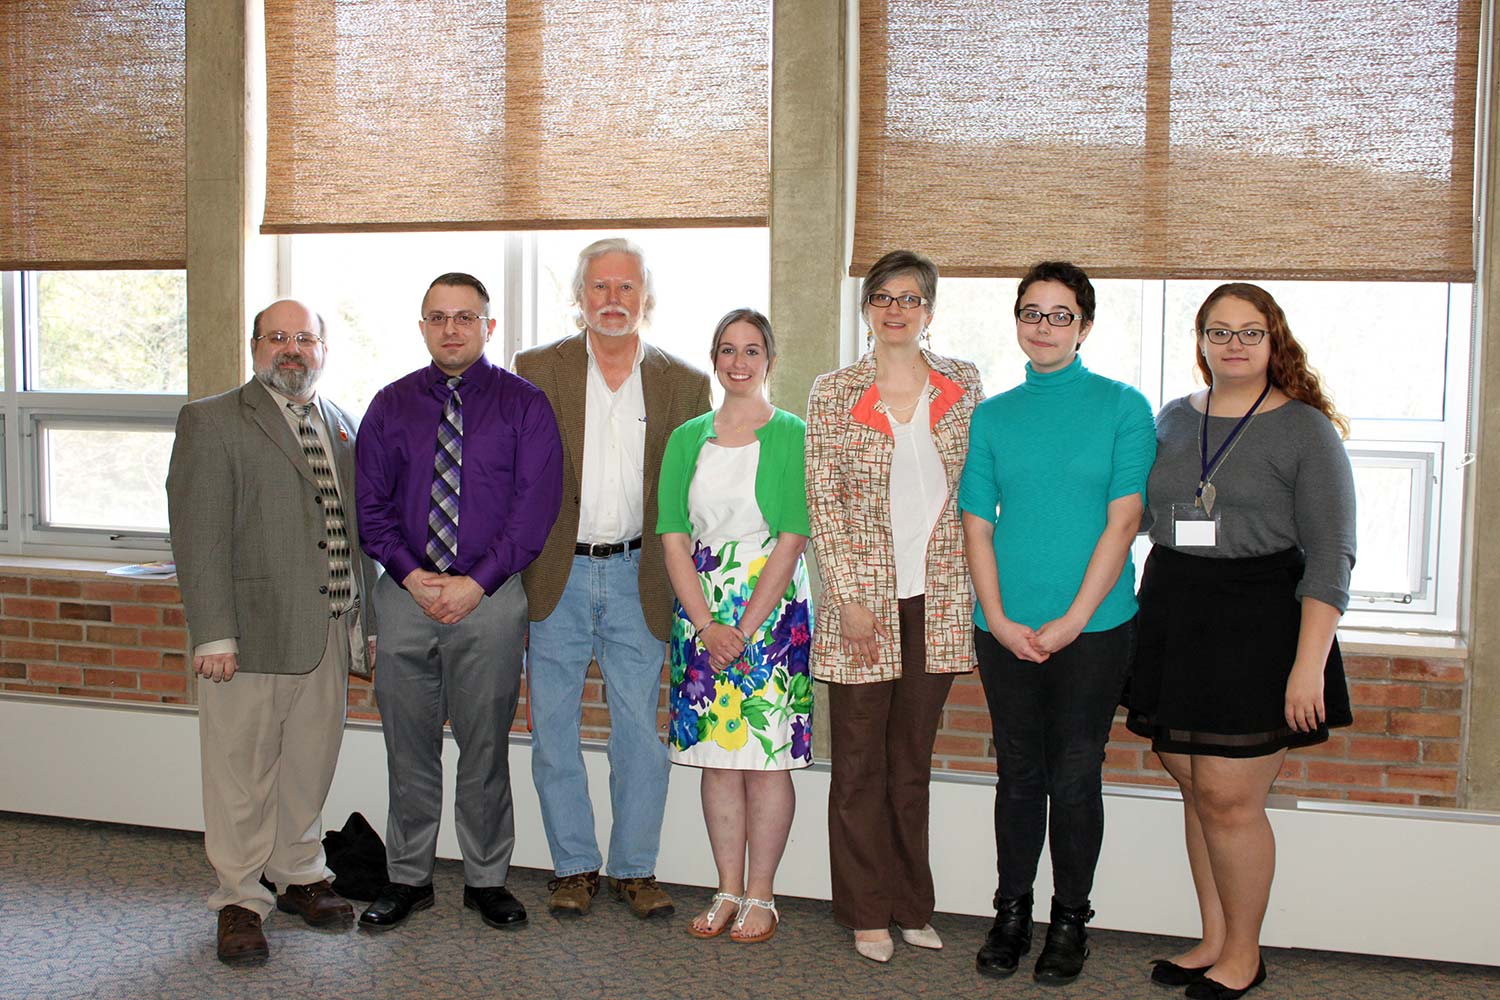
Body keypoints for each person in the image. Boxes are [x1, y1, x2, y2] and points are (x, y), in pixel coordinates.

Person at [1125, 282, 1355, 1000]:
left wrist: (1307, 666)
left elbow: (1332, 554)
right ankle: (1216, 938)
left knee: (1231, 796)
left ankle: (1245, 956)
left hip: (1260, 620)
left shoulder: (1304, 429)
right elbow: (1135, 515)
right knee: (1194, 786)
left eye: (1248, 332)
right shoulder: (1170, 418)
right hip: (1175, 606)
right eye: (1218, 331)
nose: (1232, 344)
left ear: (1272, 340)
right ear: (1199, 341)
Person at [960, 260, 1156, 985]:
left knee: (1075, 774)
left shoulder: (1122, 407)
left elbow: (1125, 517)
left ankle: (1070, 919)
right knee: (1018, 774)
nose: (1043, 327)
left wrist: (1074, 619)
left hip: (1096, 627)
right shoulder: (993, 415)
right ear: (1017, 321)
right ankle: (1011, 911)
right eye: (1031, 313)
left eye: (1060, 314)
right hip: (1005, 626)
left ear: (1086, 326)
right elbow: (977, 526)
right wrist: (1002, 619)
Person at [166, 299, 378, 964]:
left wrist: (362, 623)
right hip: (249, 635)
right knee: (240, 773)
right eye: (277, 337)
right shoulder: (213, 420)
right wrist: (212, 634)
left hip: (326, 630)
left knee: (308, 765)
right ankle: (238, 896)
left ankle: (299, 875)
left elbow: (354, 532)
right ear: (255, 346)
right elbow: (198, 534)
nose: (291, 349)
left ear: (323, 348)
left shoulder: (342, 423)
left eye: (304, 338)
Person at [354, 272, 563, 931]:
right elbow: (371, 509)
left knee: (484, 748)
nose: (451, 329)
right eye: (438, 317)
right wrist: (414, 577)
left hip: (492, 598)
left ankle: (486, 879)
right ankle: (409, 877)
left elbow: (536, 511)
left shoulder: (525, 405)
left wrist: (477, 583)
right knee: (407, 748)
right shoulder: (389, 406)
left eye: (465, 317)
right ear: (422, 328)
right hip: (405, 594)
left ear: (488, 327)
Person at [513, 238, 711, 919]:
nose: (613, 300)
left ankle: (634, 867)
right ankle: (572, 865)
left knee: (638, 730)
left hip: (641, 575)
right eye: (599, 287)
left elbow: (692, 493)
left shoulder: (685, 384)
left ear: (646, 298)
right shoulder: (535, 370)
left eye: (626, 288)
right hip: (557, 575)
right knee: (554, 729)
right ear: (580, 297)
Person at [805, 248, 983, 964]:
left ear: (929, 311)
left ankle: (912, 905)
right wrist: (846, 597)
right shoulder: (834, 390)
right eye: (884, 297)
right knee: (856, 764)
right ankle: (865, 910)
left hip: (936, 599)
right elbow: (823, 498)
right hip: (864, 604)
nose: (897, 309)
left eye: (911, 298)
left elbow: (977, 484)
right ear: (868, 308)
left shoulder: (963, 382)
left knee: (911, 762)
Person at [657, 308, 813, 944]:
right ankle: (726, 887)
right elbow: (671, 532)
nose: (739, 363)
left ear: (770, 359)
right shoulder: (685, 436)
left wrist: (743, 630)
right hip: (700, 609)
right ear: (715, 358)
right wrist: (704, 624)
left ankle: (762, 895)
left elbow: (793, 537)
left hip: (771, 617)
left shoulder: (792, 434)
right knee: (719, 761)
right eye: (727, 350)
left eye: (752, 350)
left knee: (766, 761)